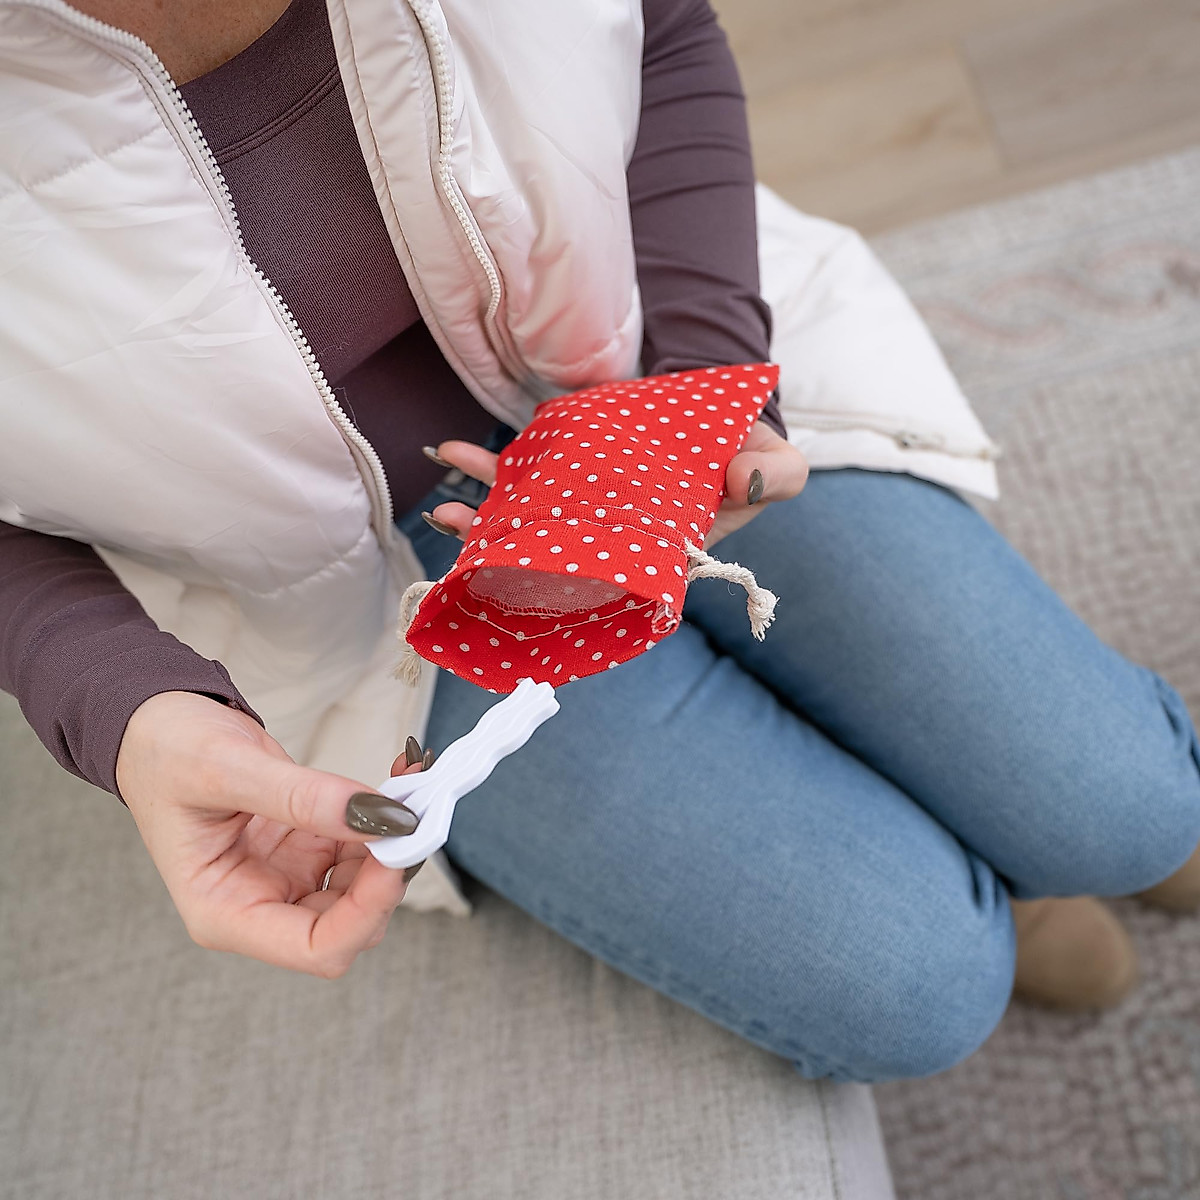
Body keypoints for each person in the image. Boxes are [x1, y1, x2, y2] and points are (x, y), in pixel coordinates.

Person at [2, 0, 1199, 1084]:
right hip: (336, 610)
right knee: (916, 981)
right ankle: (982, 863)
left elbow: (658, 26)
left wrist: (706, 367)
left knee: (1126, 806)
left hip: (636, 369)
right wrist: (124, 704)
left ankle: (1011, 832)